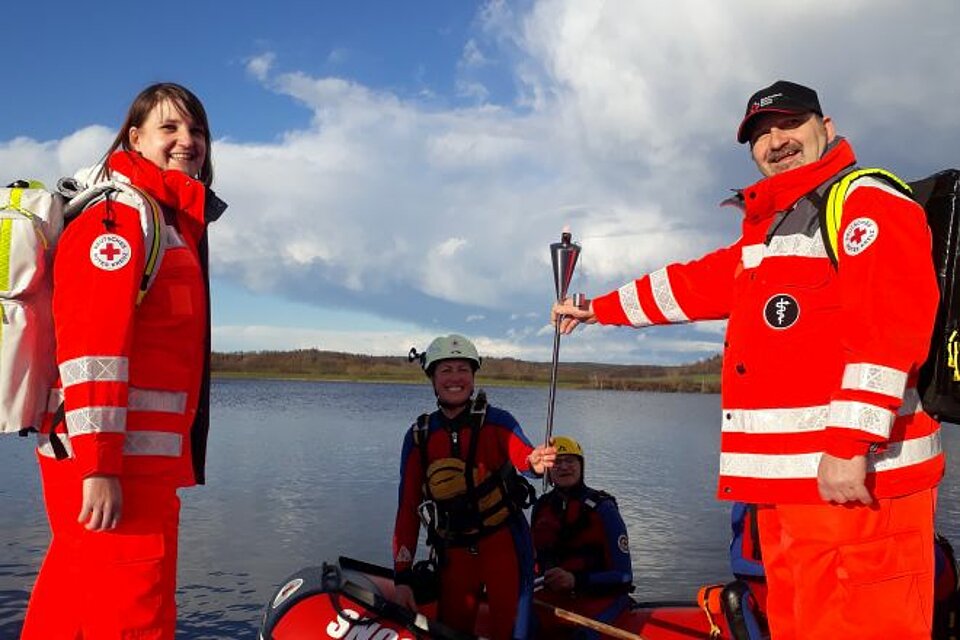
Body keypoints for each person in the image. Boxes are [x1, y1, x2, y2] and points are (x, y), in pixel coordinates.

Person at [552, 80, 943, 639]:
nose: (775, 141)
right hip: (789, 493)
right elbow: (688, 285)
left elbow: (893, 328)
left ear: (825, 128)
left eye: (789, 124)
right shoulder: (771, 234)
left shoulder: (865, 200)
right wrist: (597, 310)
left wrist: (848, 447)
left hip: (856, 488)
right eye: (761, 134)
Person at [21, 82, 227, 639]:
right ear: (135, 138)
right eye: (170, 128)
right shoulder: (117, 216)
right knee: (135, 617)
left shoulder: (167, 220)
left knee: (71, 605)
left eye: (197, 130)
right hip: (117, 472)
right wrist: (101, 465)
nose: (188, 141)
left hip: (136, 468)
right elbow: (92, 348)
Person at [392, 334, 556, 640]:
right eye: (446, 370)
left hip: (504, 545)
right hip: (453, 552)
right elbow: (408, 509)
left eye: (463, 369)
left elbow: (523, 455)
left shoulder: (498, 422)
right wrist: (402, 575)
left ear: (473, 375)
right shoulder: (418, 436)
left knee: (513, 631)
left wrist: (535, 462)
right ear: (432, 378)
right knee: (452, 630)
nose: (455, 378)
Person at [530, 435, 633, 639]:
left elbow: (625, 576)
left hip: (599, 595)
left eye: (570, 461)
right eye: (557, 462)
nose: (564, 467)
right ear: (548, 471)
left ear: (581, 466)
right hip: (553, 596)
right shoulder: (541, 508)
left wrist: (574, 580)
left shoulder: (604, 509)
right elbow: (533, 563)